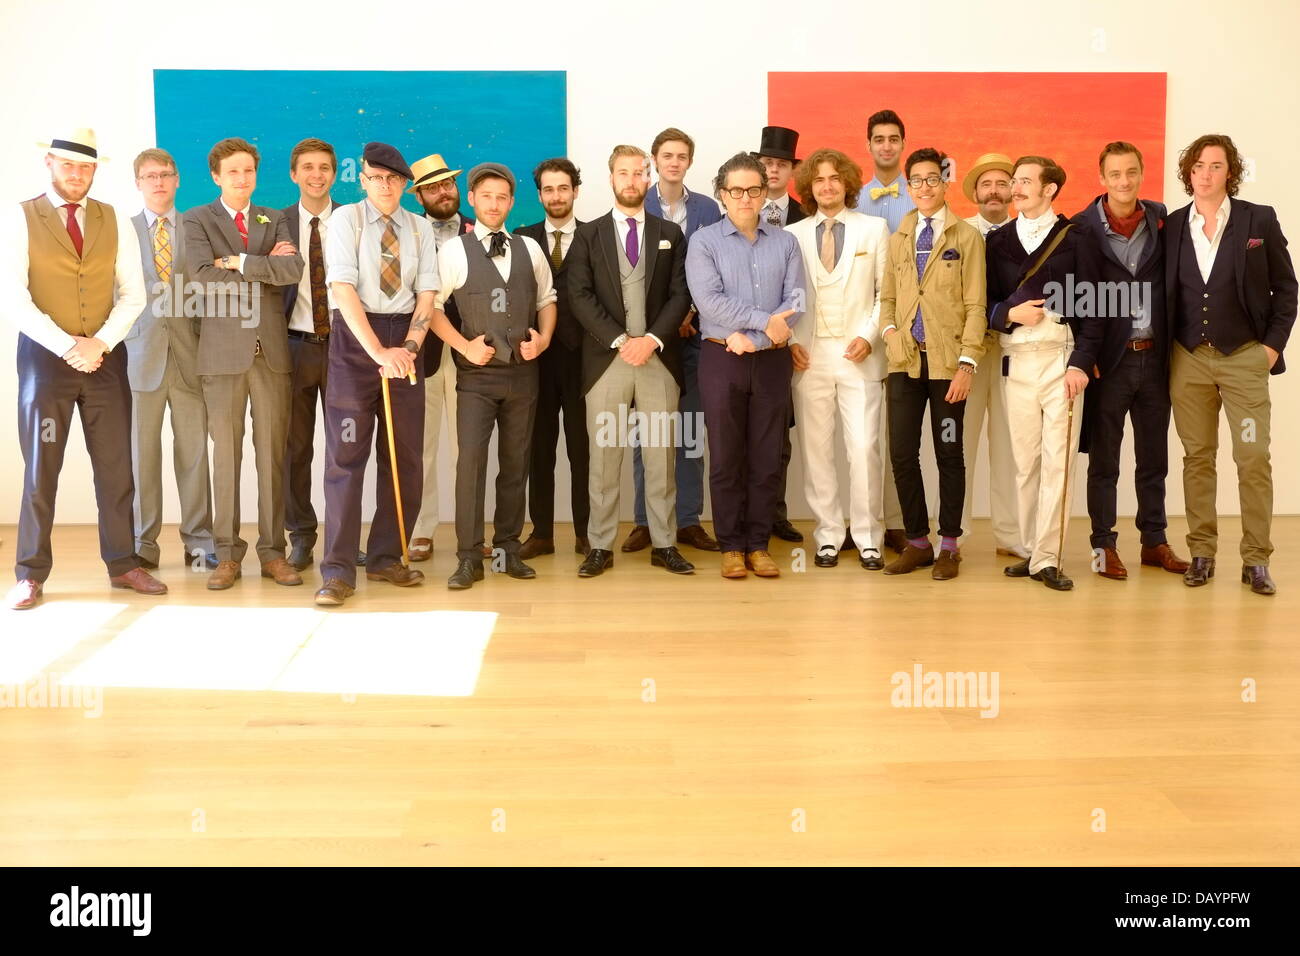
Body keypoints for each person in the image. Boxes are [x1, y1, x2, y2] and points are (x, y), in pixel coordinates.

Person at [3, 127, 164, 610]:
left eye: (86, 166)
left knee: (116, 468)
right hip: (45, 362)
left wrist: (99, 343)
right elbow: (13, 295)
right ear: (49, 164)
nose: (77, 174)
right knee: (42, 469)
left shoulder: (112, 219)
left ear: (95, 170)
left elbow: (134, 292)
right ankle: (31, 574)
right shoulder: (20, 217)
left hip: (105, 360)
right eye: (68, 165)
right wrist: (66, 345)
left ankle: (123, 564)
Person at [1165, 133, 1297, 595]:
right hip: (1189, 361)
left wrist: (1271, 348)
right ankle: (1202, 553)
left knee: (1252, 457)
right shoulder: (1173, 225)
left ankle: (1256, 560)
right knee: (1197, 457)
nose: (1205, 173)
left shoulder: (1257, 219)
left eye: (1216, 166)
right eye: (1198, 165)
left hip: (1244, 359)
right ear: (1188, 173)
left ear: (1230, 172)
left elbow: (1287, 288)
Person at [314, 143, 437, 607]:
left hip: (404, 339)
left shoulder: (421, 228)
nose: (385, 185)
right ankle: (338, 571)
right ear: (362, 180)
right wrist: (377, 353)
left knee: (403, 457)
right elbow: (342, 290)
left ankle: (387, 557)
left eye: (393, 178)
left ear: (404, 183)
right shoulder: (346, 220)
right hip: (355, 340)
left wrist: (406, 348)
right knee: (345, 459)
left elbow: (427, 294)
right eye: (375, 177)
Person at [427, 162, 557, 590]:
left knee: (516, 464)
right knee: (471, 466)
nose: (495, 204)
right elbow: (430, 310)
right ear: (473, 200)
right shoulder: (453, 252)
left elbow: (547, 300)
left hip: (524, 377)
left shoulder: (530, 249)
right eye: (486, 196)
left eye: (502, 197)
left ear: (511, 202)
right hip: (476, 380)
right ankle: (469, 559)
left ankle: (506, 552)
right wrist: (464, 347)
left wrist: (543, 341)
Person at [568, 145, 694, 578]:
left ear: (649, 176)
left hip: (658, 360)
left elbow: (681, 294)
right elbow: (579, 296)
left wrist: (653, 338)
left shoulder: (669, 234)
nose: (632, 180)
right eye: (624, 173)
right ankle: (600, 545)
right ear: (611, 178)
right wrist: (621, 340)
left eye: (639, 173)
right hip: (607, 362)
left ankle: (664, 543)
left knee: (661, 457)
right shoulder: (589, 235)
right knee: (604, 458)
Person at [185, 136, 304, 590]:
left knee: (273, 456)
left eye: (248, 171)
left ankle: (273, 552)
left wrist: (234, 261)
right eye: (232, 171)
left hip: (271, 355)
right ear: (216, 176)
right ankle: (228, 554)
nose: (242, 178)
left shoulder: (274, 219)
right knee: (227, 457)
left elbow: (291, 272)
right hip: (220, 356)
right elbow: (199, 278)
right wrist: (259, 269)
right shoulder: (197, 219)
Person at [1070, 141, 1189, 581]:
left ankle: (1154, 541)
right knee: (1104, 463)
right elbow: (1075, 297)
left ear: (1141, 173)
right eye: (1115, 174)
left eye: (1131, 173)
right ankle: (1103, 547)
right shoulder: (1082, 227)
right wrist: (1086, 355)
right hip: (1109, 363)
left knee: (1153, 458)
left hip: (1155, 359)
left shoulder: (1161, 218)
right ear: (1102, 178)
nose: (1123, 181)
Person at [686, 152, 805, 579]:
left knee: (767, 455)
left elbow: (795, 303)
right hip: (722, 357)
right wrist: (762, 324)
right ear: (722, 195)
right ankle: (731, 546)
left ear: (764, 192)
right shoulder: (704, 242)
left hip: (770, 360)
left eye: (753, 189)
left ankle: (758, 544)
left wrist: (754, 338)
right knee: (726, 455)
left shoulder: (786, 242)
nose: (745, 197)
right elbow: (709, 300)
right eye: (736, 190)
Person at [879, 148, 987, 580]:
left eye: (932, 179)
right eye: (917, 181)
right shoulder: (899, 236)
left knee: (948, 452)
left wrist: (967, 364)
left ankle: (949, 545)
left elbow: (977, 305)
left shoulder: (966, 238)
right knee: (902, 451)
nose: (924, 187)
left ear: (944, 184)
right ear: (909, 188)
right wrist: (888, 333)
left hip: (947, 369)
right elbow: (887, 298)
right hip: (905, 364)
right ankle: (918, 542)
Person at [786, 148, 890, 570]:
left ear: (847, 183)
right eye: (818, 180)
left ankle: (868, 537)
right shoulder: (792, 234)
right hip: (809, 354)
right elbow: (787, 296)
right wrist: (792, 338)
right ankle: (828, 534)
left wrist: (869, 336)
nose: (827, 186)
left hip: (858, 353)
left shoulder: (874, 229)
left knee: (864, 447)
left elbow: (888, 293)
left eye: (834, 179)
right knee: (816, 449)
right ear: (809, 188)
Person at [985, 155, 1085, 591]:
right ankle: (1029, 551)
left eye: (1026, 181)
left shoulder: (1078, 238)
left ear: (1050, 190)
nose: (1016, 187)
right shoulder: (997, 240)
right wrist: (1010, 311)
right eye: (1015, 181)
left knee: (1057, 463)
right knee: (1025, 463)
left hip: (1061, 359)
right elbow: (982, 305)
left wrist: (1082, 361)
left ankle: (1048, 557)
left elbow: (1098, 306)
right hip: (1015, 361)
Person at [624, 127, 723, 554]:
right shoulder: (635, 203)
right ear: (654, 160)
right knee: (649, 434)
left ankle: (687, 520)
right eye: (667, 155)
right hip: (649, 338)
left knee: (690, 432)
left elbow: (717, 268)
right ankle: (646, 521)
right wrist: (661, 327)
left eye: (682, 156)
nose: (674, 162)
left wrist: (690, 315)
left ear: (689, 162)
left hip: (697, 337)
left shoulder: (707, 208)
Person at [126, 147, 216, 573]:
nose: (159, 182)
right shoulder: (122, 234)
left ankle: (199, 543)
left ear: (178, 179)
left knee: (194, 454)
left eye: (166, 174)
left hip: (189, 356)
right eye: (150, 176)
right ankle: (143, 544)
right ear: (138, 183)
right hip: (138, 358)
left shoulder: (196, 228)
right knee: (142, 455)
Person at [280, 137, 351, 572]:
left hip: (344, 349)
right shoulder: (275, 223)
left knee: (346, 446)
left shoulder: (352, 220)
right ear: (294, 174)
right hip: (292, 348)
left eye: (325, 167)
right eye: (308, 167)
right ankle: (301, 536)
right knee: (296, 448)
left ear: (335, 172)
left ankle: (342, 540)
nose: (316, 175)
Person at [514, 158, 590, 559]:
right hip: (535, 361)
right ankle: (541, 532)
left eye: (563, 188)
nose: (556, 196)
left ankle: (586, 533)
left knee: (583, 451)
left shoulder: (596, 236)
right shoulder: (521, 238)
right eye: (548, 189)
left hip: (585, 362)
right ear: (539, 194)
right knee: (538, 450)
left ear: (576, 190)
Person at [407, 152, 475, 563]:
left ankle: (470, 531)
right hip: (424, 353)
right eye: (431, 187)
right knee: (423, 447)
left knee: (468, 447)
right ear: (419, 197)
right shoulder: (409, 233)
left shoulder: (479, 228)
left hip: (472, 350)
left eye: (446, 183)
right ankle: (421, 529)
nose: (441, 191)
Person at [959, 152, 1024, 559]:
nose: (995, 191)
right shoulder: (959, 232)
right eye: (987, 184)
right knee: (958, 447)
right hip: (966, 356)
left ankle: (1009, 533)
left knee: (1008, 445)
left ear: (1014, 192)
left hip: (1011, 354)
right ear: (977, 193)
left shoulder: (1028, 234)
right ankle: (955, 534)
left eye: (1003, 184)